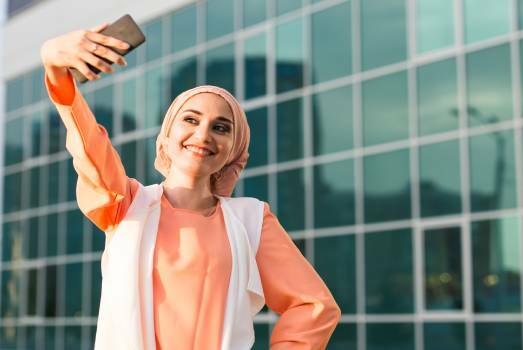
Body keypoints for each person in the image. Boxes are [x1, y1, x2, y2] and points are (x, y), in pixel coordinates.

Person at [40, 22, 341, 350]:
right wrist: (55, 69)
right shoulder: (125, 205)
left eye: (221, 127)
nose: (203, 134)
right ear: (166, 138)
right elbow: (90, 147)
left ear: (233, 150)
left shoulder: (251, 220)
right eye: (191, 120)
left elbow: (314, 306)